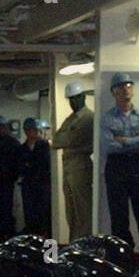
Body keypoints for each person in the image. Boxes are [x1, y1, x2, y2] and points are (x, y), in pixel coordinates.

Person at [101, 71, 139, 258]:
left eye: (129, 85)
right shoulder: (107, 118)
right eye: (121, 86)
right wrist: (135, 140)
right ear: (113, 92)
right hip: (116, 168)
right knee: (119, 216)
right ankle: (123, 255)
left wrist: (123, 140)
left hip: (138, 165)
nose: (126, 89)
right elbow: (109, 146)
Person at [52, 82, 94, 239]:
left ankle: (84, 243)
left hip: (80, 166)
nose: (72, 102)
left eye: (75, 98)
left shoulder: (88, 117)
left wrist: (65, 138)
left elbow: (67, 139)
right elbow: (57, 141)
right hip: (69, 167)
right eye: (70, 99)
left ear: (83, 97)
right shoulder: (71, 119)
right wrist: (64, 138)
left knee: (82, 209)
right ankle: (74, 242)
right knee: (71, 212)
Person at [15, 117, 51, 237]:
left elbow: (45, 165)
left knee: (44, 213)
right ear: (26, 131)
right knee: (30, 213)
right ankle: (32, 238)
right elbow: (20, 166)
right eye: (31, 130)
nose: (34, 133)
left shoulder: (45, 146)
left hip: (43, 184)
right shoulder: (21, 149)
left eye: (36, 130)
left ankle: (45, 239)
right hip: (29, 185)